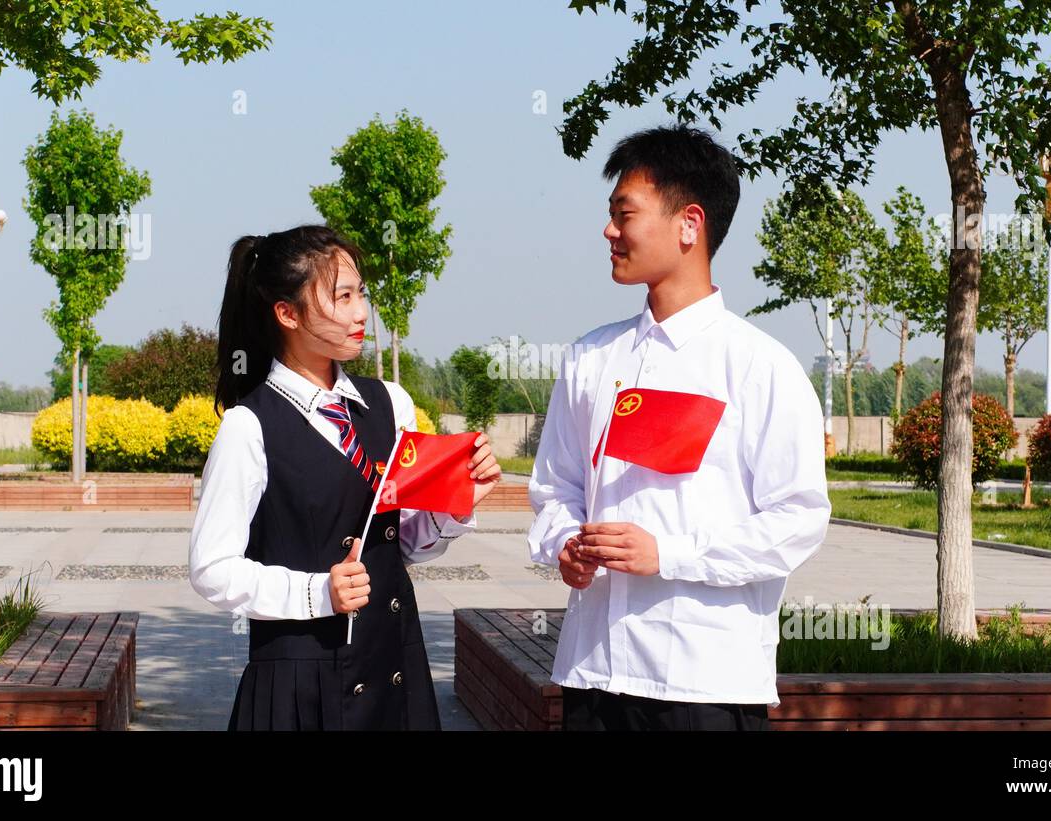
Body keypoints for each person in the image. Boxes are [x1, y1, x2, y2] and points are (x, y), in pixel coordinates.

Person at [527, 125, 831, 731]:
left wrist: (668, 554)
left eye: (624, 213)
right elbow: (556, 487)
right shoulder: (590, 358)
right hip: (594, 674)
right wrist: (563, 544)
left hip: (703, 681)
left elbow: (797, 518)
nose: (610, 231)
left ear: (689, 224)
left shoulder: (757, 366)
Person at [189, 224, 501, 731]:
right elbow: (211, 568)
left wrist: (456, 500)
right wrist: (317, 593)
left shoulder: (391, 403)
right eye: (342, 296)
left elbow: (404, 544)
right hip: (300, 686)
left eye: (361, 294)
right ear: (287, 313)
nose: (361, 313)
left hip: (395, 667)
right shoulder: (249, 426)